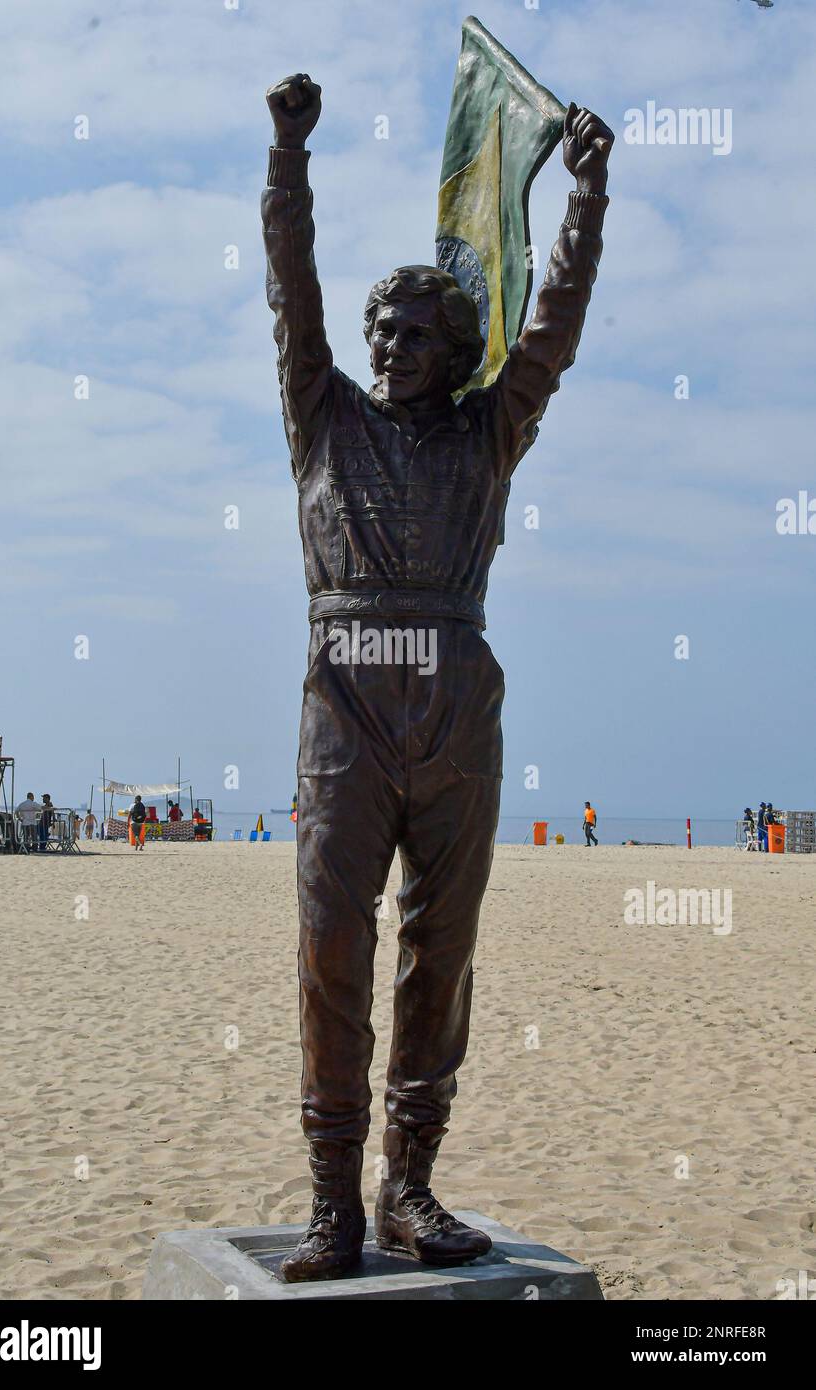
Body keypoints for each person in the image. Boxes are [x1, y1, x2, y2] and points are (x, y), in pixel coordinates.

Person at [262, 73, 612, 1280]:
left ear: (458, 350)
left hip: (457, 702)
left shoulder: (486, 432)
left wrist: (587, 198)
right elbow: (291, 296)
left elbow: (553, 329)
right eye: (381, 332)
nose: (388, 347)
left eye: (415, 333)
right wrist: (288, 158)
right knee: (327, 953)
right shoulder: (322, 416)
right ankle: (329, 1203)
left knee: (438, 954)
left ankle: (408, 1188)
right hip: (345, 701)